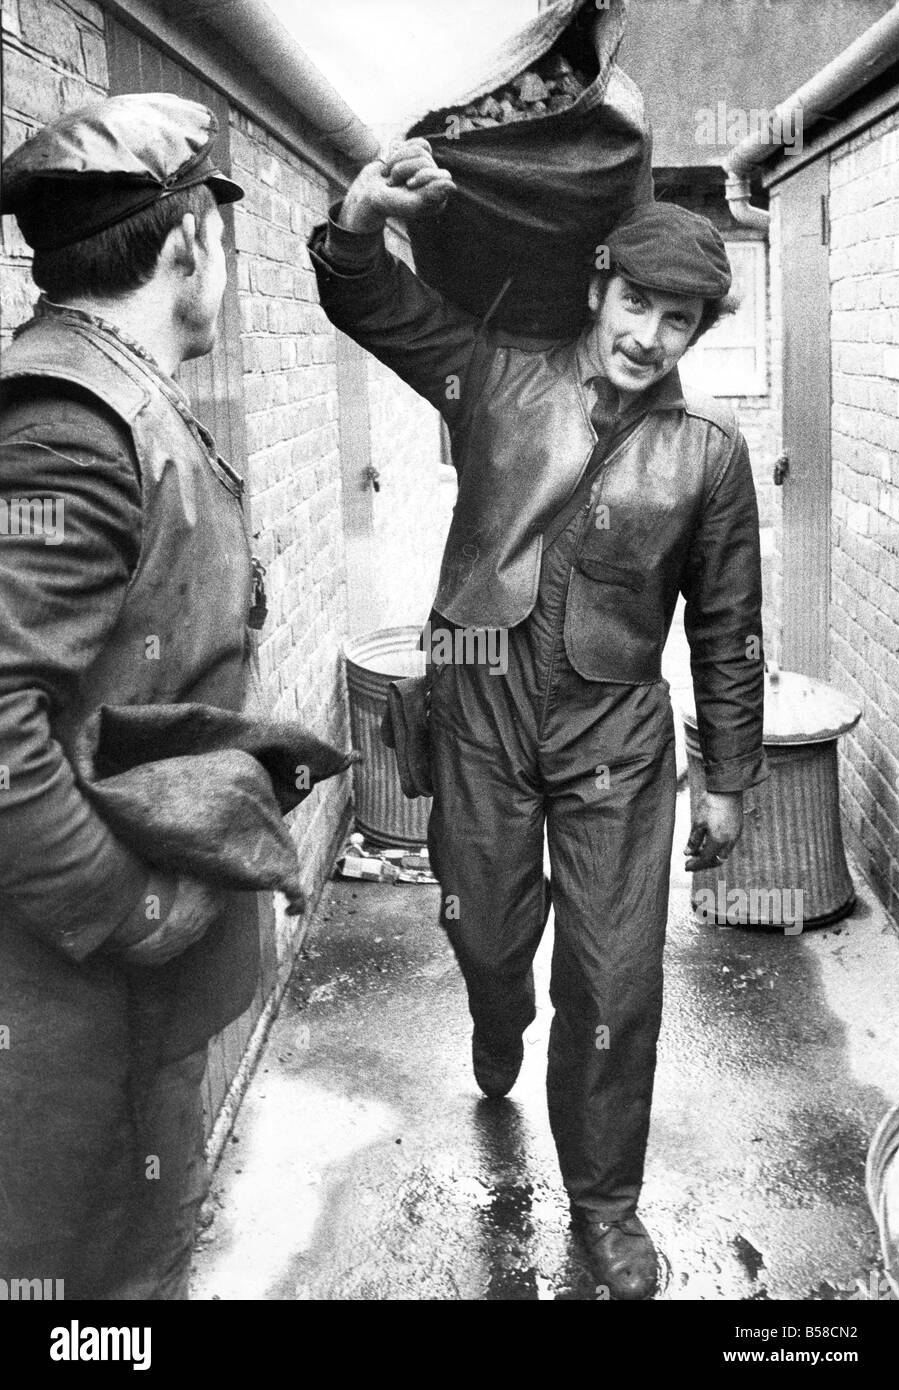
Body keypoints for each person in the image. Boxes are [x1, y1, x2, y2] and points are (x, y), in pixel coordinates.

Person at [308, 138, 768, 1300]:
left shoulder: (706, 457)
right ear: (598, 287)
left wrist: (727, 778)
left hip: (613, 740)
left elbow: (726, 628)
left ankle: (603, 1206)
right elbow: (380, 307)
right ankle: (494, 1011)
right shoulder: (496, 371)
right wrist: (357, 224)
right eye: (634, 302)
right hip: (478, 708)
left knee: (613, 987)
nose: (645, 335)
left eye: (676, 320)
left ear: (692, 336)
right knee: (488, 932)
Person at [0, 93, 260, 1299]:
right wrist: (127, 910)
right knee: (94, 1283)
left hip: (122, 999)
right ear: (185, 244)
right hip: (67, 1001)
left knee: (141, 1254)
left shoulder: (107, 388)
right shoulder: (65, 426)